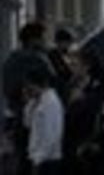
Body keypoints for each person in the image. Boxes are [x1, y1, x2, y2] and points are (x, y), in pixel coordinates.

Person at [2, 23, 56, 175]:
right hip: (40, 118)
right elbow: (53, 83)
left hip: (19, 117)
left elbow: (6, 89)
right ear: (34, 39)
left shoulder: (10, 59)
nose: (45, 40)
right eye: (43, 37)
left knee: (23, 160)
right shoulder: (39, 59)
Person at [22, 68, 64, 175]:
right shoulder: (36, 101)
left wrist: (39, 158)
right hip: (35, 154)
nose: (28, 89)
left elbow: (52, 134)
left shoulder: (51, 102)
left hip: (47, 159)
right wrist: (30, 104)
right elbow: (27, 124)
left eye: (30, 86)